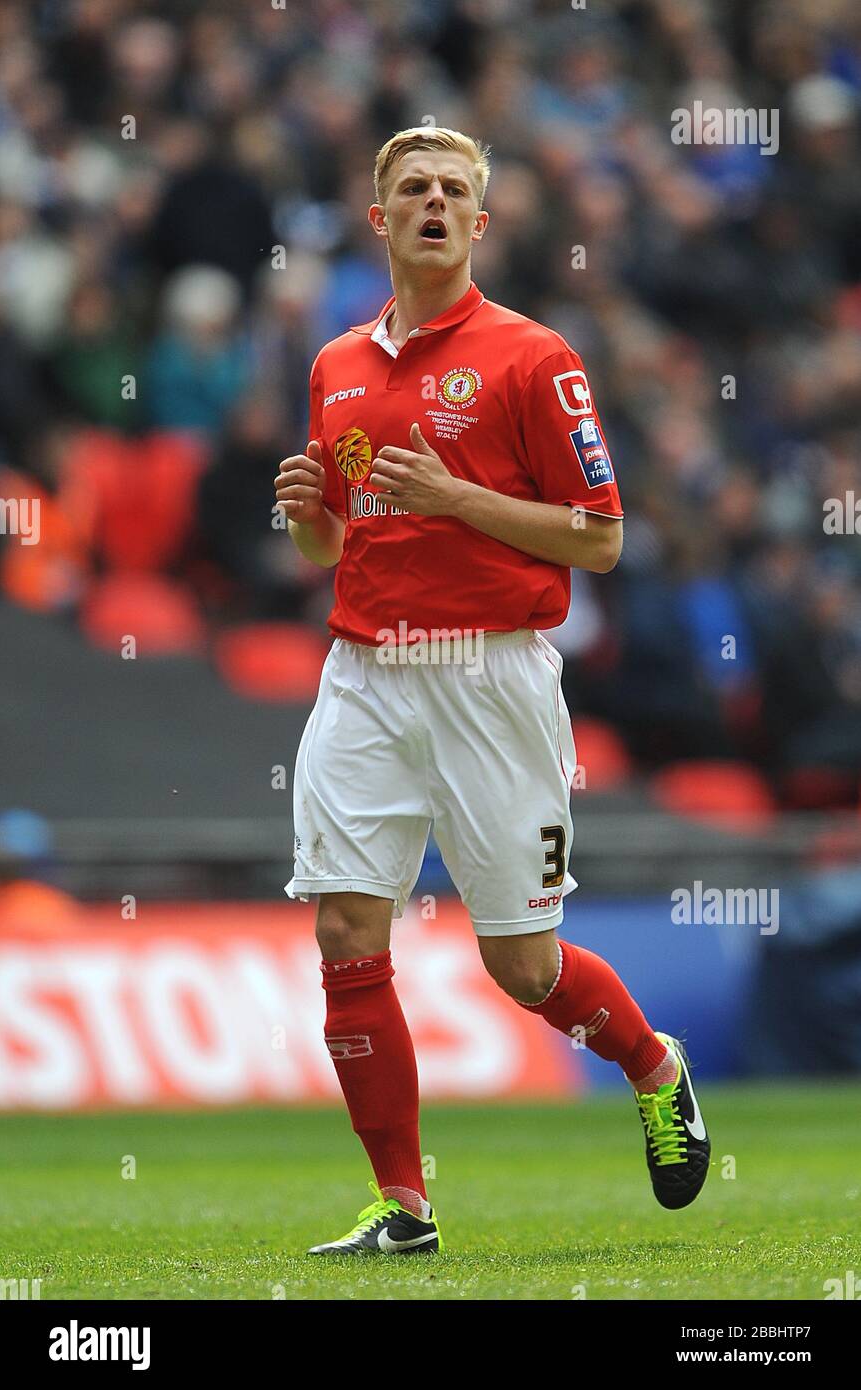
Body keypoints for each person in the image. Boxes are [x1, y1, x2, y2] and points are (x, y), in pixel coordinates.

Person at [275, 127, 710, 1255]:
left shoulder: (534, 357)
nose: (432, 201)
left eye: (452, 190)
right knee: (344, 929)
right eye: (411, 188)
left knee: (520, 966)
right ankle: (401, 1206)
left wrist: (461, 499)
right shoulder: (333, 367)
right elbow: (338, 546)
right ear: (378, 222)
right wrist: (310, 516)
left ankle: (653, 1065)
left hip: (489, 674)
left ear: (479, 223)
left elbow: (603, 540)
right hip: (365, 672)